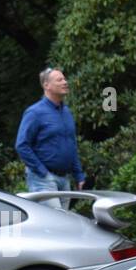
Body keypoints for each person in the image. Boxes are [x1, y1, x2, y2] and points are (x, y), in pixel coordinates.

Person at [15, 68, 86, 209]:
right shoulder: (35, 112)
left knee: (61, 226)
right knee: (55, 224)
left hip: (65, 179)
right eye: (59, 80)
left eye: (65, 79)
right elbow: (22, 145)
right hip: (43, 180)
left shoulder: (66, 112)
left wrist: (78, 175)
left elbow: (71, 145)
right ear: (46, 85)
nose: (65, 82)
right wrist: (42, 172)